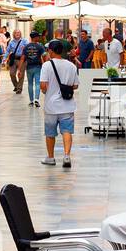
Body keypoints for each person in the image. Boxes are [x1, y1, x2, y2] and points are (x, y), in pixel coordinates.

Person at [40, 39, 80, 168]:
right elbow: (75, 86)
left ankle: (51, 158)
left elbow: (43, 85)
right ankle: (67, 156)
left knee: (50, 133)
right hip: (67, 105)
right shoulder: (71, 66)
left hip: (51, 106)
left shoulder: (46, 65)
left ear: (51, 51)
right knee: (67, 131)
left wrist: (47, 90)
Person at [22, 30, 47, 107]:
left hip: (29, 67)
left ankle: (31, 101)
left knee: (30, 84)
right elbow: (44, 55)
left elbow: (22, 58)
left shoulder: (26, 47)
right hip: (37, 67)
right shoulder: (40, 46)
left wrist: (19, 70)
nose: (39, 38)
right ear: (35, 37)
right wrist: (45, 64)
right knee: (37, 83)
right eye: (38, 37)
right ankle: (36, 99)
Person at [5, 29, 27, 93]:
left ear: (20, 34)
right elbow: (7, 51)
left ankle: (19, 89)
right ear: (13, 34)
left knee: (21, 75)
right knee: (12, 74)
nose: (17, 34)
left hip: (22, 60)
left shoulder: (25, 41)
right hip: (14, 60)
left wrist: (25, 49)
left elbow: (28, 48)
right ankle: (16, 86)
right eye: (16, 33)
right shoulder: (11, 42)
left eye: (18, 33)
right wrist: (4, 59)